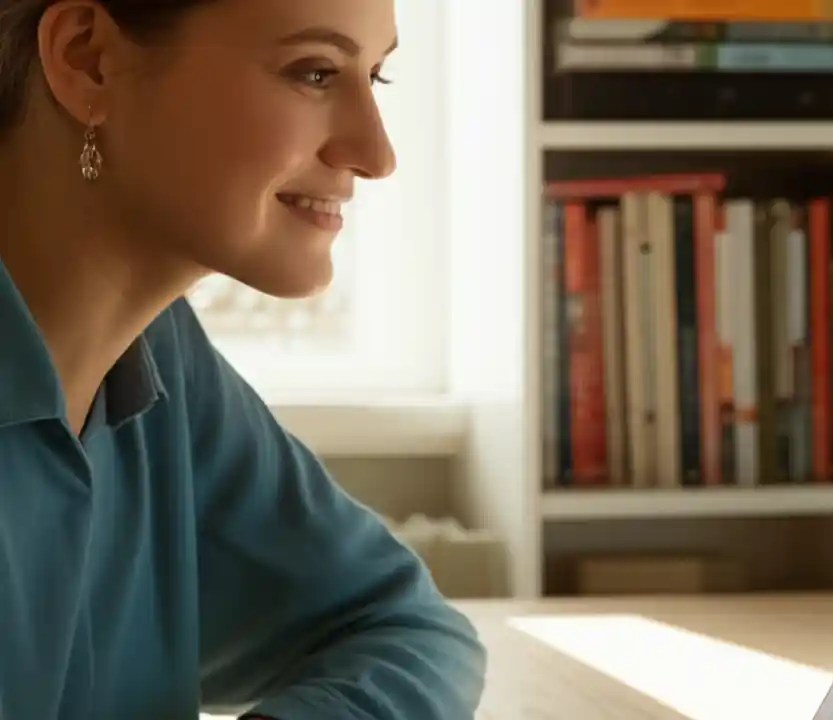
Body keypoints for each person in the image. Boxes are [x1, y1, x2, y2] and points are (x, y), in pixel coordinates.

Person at [0, 0, 486, 718]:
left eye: (374, 78)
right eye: (315, 72)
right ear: (88, 60)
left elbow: (406, 629)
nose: (376, 154)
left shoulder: (159, 358)